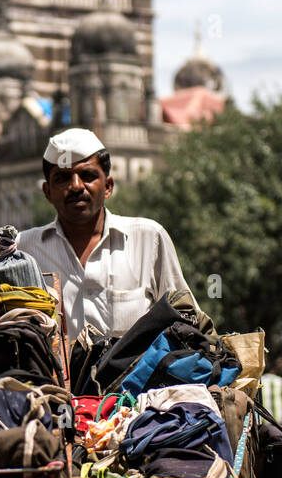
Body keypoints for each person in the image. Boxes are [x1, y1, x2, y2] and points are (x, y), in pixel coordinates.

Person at [16, 127, 194, 341]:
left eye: (87, 176)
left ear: (108, 186)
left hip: (138, 375)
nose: (76, 186)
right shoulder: (24, 250)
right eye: (63, 178)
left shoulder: (148, 239)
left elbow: (186, 320)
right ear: (47, 192)